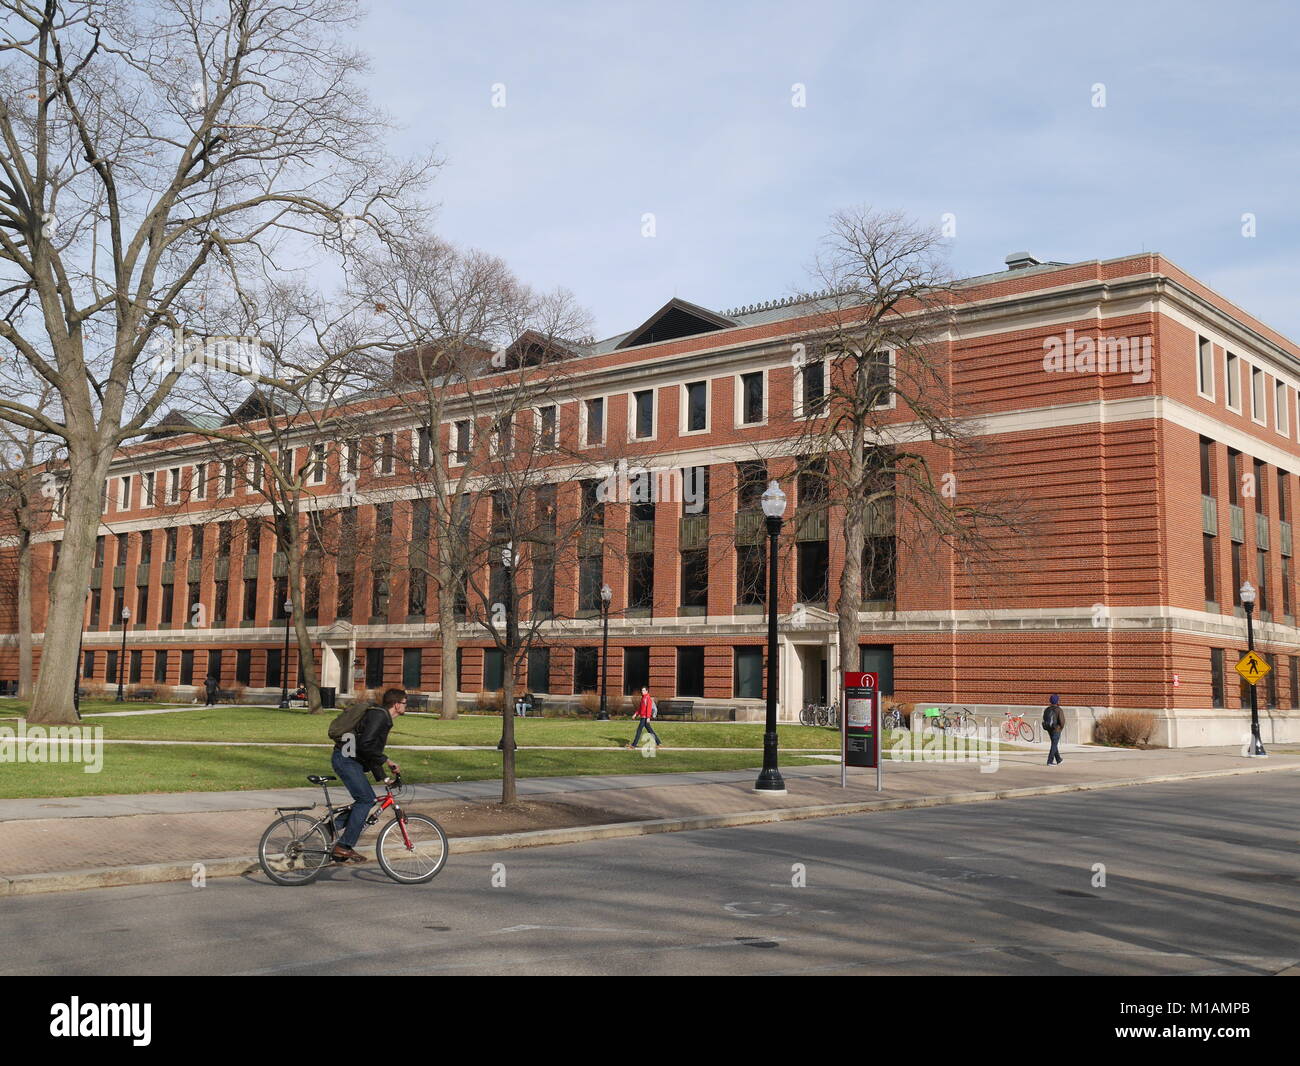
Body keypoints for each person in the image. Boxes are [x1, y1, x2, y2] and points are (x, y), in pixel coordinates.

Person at [330, 687, 408, 863]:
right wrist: (387, 761)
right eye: (404, 703)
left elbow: (370, 751)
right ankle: (344, 846)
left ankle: (330, 828)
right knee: (366, 800)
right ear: (396, 705)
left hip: (351, 761)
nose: (406, 706)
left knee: (366, 799)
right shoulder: (379, 716)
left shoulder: (381, 716)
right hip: (345, 760)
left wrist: (383, 777)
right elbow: (366, 745)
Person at [1043, 694, 1065, 766]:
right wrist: (1060, 728)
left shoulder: (1047, 709)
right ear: (1057, 701)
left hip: (1049, 729)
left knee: (1054, 744)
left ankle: (1058, 759)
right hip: (1056, 729)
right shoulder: (1059, 709)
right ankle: (1050, 761)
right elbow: (1062, 721)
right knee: (1054, 745)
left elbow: (1044, 718)